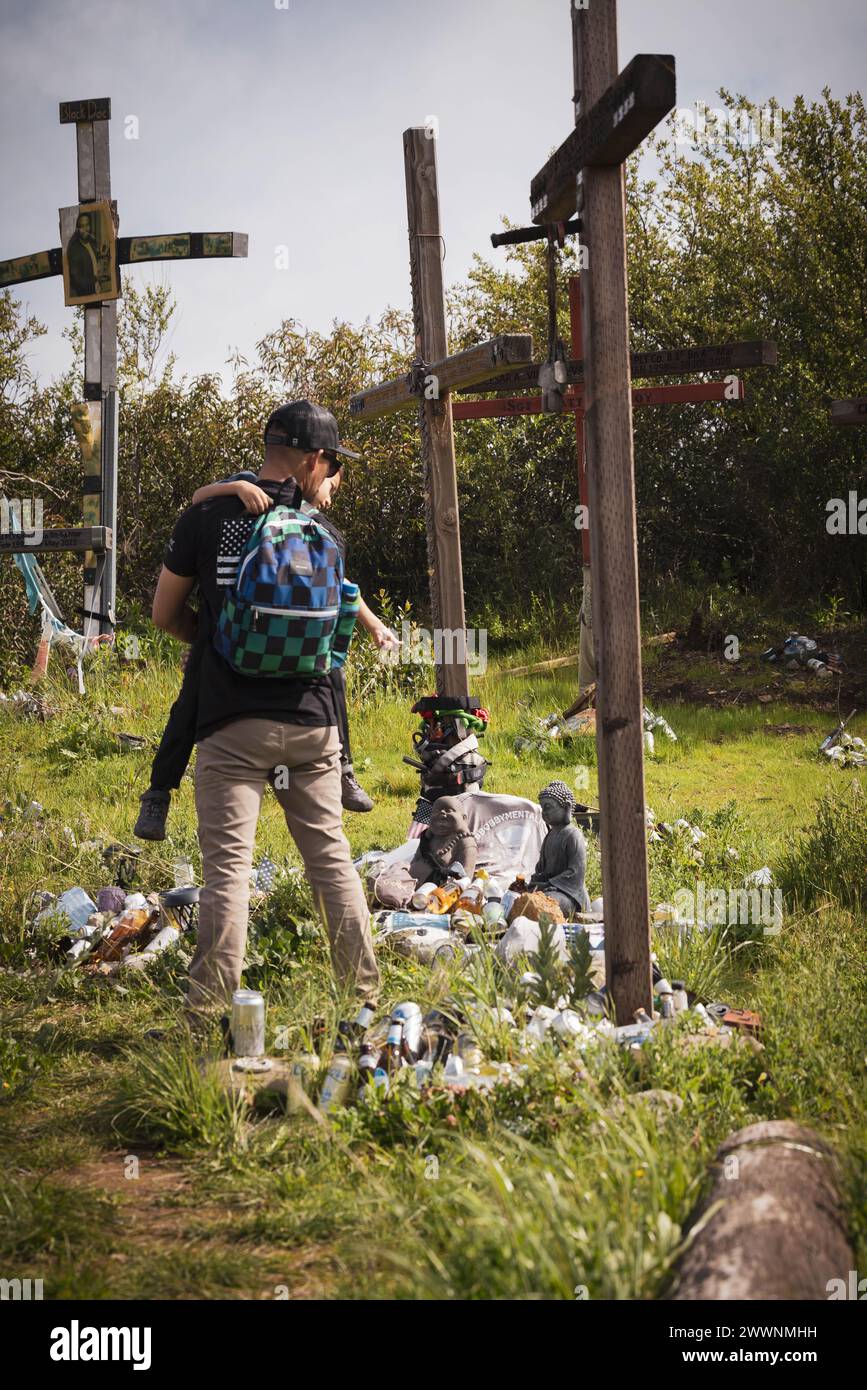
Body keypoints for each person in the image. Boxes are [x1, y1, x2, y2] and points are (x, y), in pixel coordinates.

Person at [150, 400, 380, 1025]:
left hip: (231, 726)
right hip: (314, 726)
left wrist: (217, 639)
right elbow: (333, 632)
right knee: (330, 860)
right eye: (331, 463)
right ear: (313, 459)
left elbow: (164, 613)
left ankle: (208, 1017)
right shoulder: (324, 533)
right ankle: (362, 1000)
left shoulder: (207, 515)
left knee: (228, 871)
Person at [134, 463, 390, 840]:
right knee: (188, 702)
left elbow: (343, 583)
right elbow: (198, 497)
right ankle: (158, 791)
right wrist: (237, 486)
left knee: (333, 672)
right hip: (229, 627)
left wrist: (373, 625)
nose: (330, 496)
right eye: (330, 486)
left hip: (289, 634)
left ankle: (345, 768)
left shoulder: (314, 526)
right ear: (314, 468)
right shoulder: (259, 490)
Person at [66, 213, 99, 298]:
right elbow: (75, 279)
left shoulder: (93, 242)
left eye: (87, 225)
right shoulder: (74, 249)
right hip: (87, 294)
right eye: (82, 226)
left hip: (98, 289)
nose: (85, 229)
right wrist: (94, 280)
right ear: (77, 229)